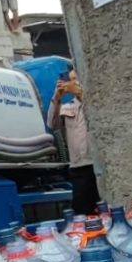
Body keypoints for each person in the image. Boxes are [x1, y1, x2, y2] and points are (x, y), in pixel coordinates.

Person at [47, 68, 101, 215]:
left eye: (75, 78)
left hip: (97, 165)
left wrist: (80, 93)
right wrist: (57, 97)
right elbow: (52, 124)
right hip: (79, 167)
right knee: (83, 211)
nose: (72, 82)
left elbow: (99, 114)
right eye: (70, 79)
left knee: (105, 208)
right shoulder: (68, 106)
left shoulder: (94, 99)